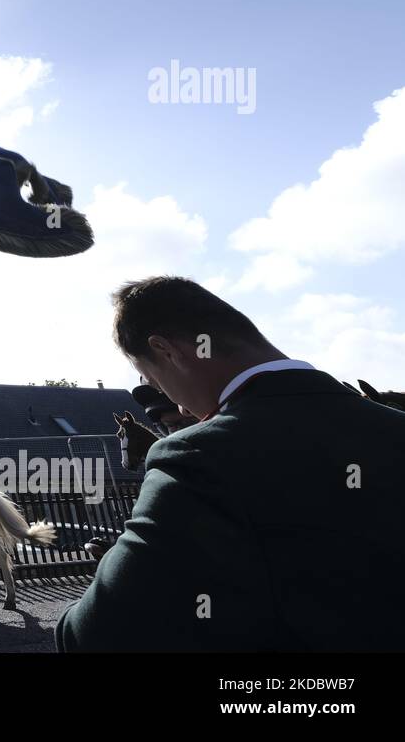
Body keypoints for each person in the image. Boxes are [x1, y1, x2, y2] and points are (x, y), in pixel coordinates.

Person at [57, 275, 405, 651]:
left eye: (153, 379)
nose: (176, 407)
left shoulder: (198, 457)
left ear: (166, 351)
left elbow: (92, 636)